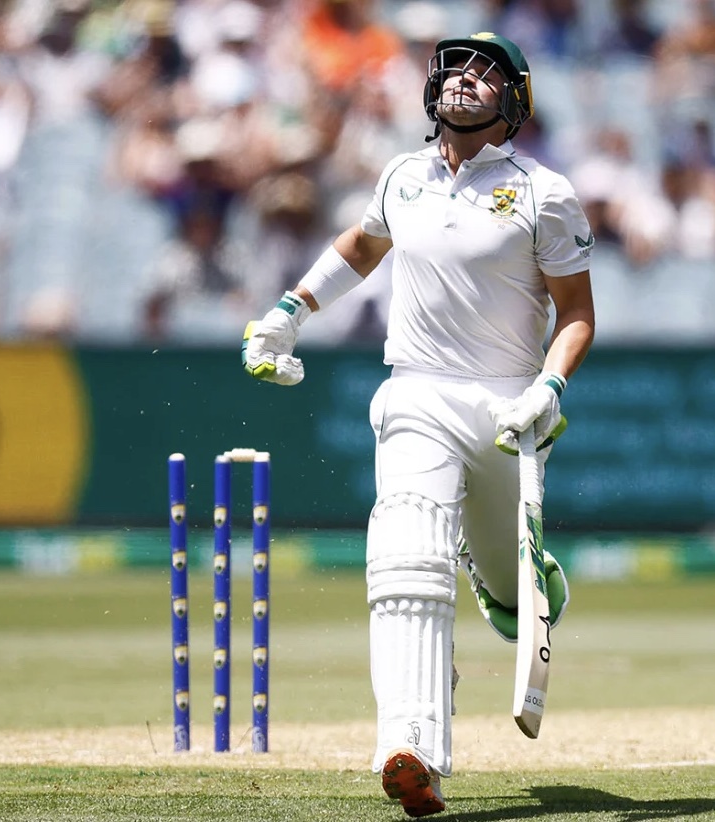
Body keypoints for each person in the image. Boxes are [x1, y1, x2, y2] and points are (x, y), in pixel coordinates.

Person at [241, 32, 595, 818]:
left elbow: (576, 316)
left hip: (506, 402)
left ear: (516, 100)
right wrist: (288, 312)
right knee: (404, 554)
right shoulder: (403, 175)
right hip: (417, 393)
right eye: (457, 68)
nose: (467, 79)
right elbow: (363, 247)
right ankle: (413, 750)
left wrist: (549, 386)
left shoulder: (545, 191)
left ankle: (515, 580)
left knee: (510, 594)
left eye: (487, 73)